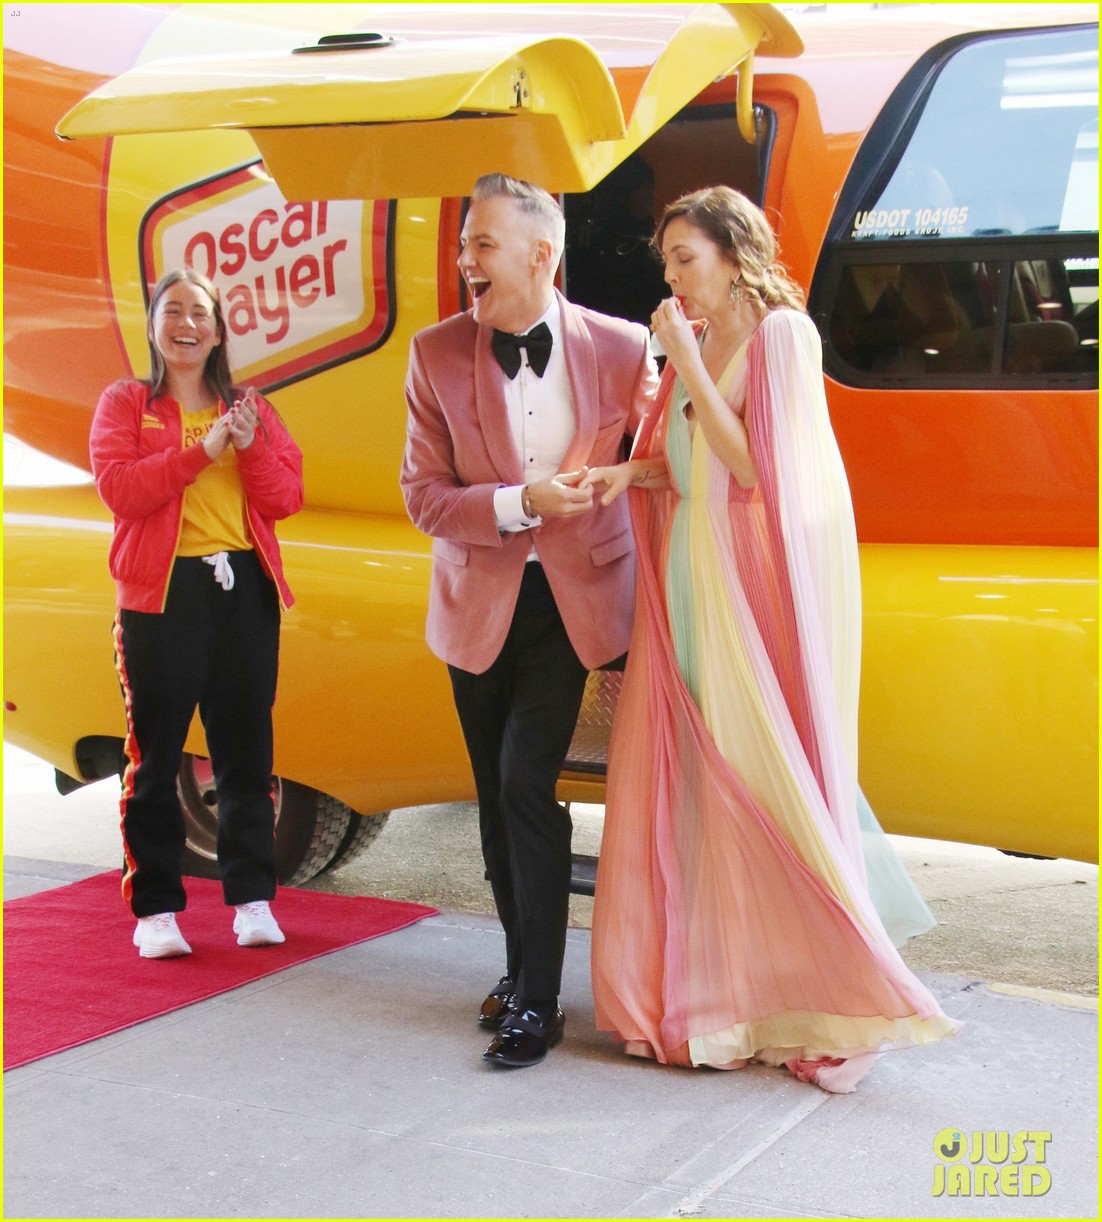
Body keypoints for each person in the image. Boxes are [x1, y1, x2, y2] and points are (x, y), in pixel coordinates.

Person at [582, 187, 957, 1093]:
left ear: (734, 251)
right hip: (689, 582)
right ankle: (731, 1000)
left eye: (685, 257)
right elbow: (688, 465)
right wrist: (619, 471)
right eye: (665, 260)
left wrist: (683, 360)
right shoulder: (698, 346)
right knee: (713, 794)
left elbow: (755, 470)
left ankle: (850, 997)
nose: (671, 276)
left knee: (769, 785)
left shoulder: (783, 335)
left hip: (746, 592)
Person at [400, 173, 657, 1068]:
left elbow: (668, 460)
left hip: (579, 599)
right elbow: (424, 498)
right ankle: (519, 966)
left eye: (481, 244)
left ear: (540, 254)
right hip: (477, 601)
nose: (464, 259)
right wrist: (519, 501)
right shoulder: (435, 354)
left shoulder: (625, 350)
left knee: (523, 781)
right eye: (464, 243)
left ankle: (536, 1003)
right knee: (494, 801)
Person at [89, 268, 304, 960]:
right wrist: (200, 452)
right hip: (160, 595)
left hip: (242, 588)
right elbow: (120, 490)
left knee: (246, 752)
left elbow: (286, 496)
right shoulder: (126, 402)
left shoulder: (251, 407)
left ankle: (251, 900)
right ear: (153, 326)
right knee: (156, 758)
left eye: (201, 314)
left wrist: (247, 446)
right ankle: (155, 910)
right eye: (173, 311)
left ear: (218, 333)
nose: (187, 323)